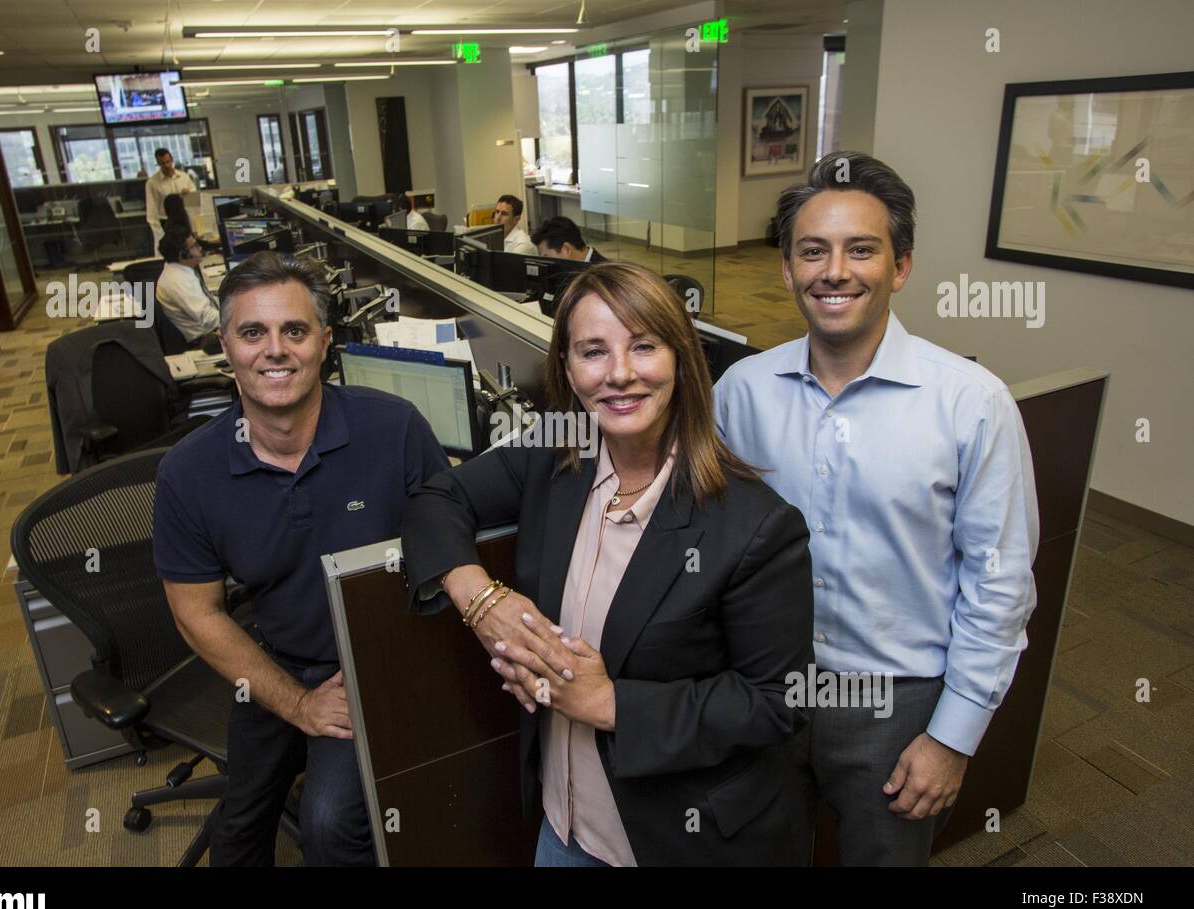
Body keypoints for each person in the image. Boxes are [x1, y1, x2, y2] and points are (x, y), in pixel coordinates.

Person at [402, 261, 814, 866]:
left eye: (644, 346)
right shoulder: (557, 452)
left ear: (681, 358)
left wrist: (608, 703)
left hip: (680, 840)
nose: (620, 374)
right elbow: (437, 497)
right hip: (565, 823)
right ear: (566, 369)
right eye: (593, 351)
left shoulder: (754, 525)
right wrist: (483, 601)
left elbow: (780, 700)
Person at [713, 151, 1039, 866]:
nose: (835, 271)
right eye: (812, 251)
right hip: (765, 691)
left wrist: (954, 736)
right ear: (787, 269)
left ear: (901, 267)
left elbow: (1000, 585)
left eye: (861, 250)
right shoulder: (741, 392)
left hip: (896, 707)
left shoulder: (970, 404)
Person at [153, 252, 449, 866]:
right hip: (276, 654)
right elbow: (195, 614)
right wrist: (296, 704)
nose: (275, 350)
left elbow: (451, 548)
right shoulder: (189, 471)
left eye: (295, 330)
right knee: (236, 835)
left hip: (374, 660)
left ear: (325, 342)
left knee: (328, 825)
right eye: (252, 332)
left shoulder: (394, 430)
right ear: (225, 345)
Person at [155, 228, 221, 349]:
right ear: (182, 254)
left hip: (209, 330)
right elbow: (208, 318)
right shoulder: (178, 281)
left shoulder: (178, 270)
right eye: (195, 246)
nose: (200, 248)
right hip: (207, 339)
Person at [145, 148, 196, 255]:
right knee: (173, 254)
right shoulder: (152, 183)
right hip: (167, 222)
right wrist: (159, 233)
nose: (167, 165)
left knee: (189, 251)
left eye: (168, 162)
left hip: (185, 220)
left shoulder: (184, 177)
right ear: (158, 163)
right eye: (163, 163)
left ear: (172, 160)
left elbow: (195, 197)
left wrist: (189, 192)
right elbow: (152, 210)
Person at [531, 216, 606, 263]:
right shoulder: (573, 268)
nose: (545, 264)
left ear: (566, 250)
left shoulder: (605, 274)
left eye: (546, 257)